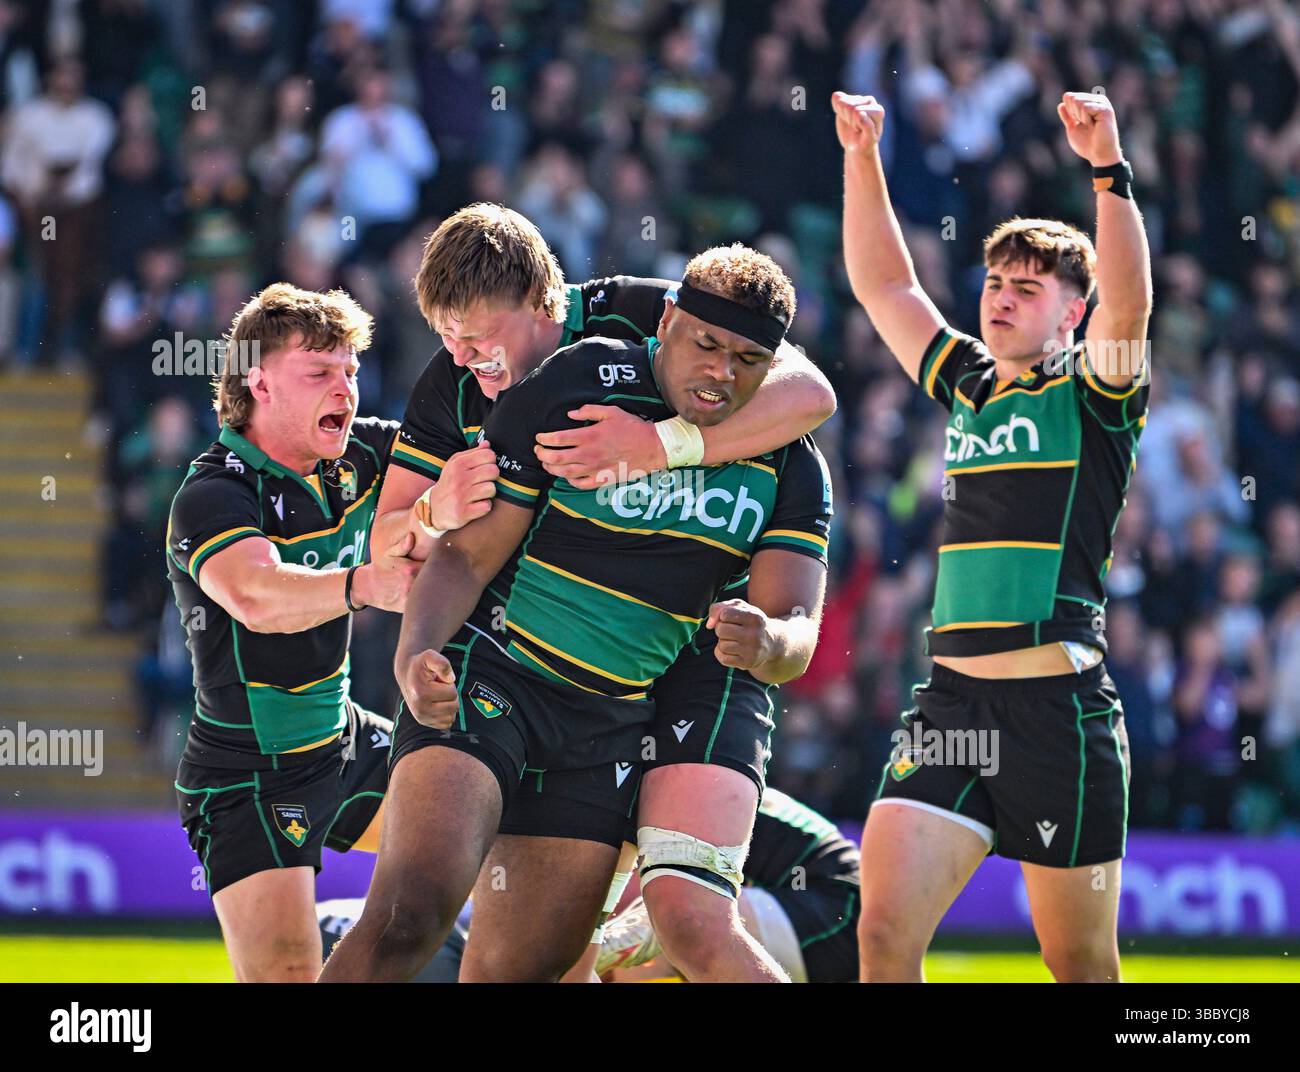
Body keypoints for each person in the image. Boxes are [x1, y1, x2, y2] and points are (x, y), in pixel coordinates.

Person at [320, 244, 832, 983]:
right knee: (409, 913)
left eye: (749, 360)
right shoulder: (579, 379)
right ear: (667, 322)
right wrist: (413, 653)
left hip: (609, 725)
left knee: (517, 971)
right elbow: (462, 556)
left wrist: (768, 640)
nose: (722, 372)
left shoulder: (792, 462)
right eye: (707, 345)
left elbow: (797, 634)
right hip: (495, 676)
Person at [832, 88, 1152, 982]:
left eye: (1028, 289)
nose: (1002, 299)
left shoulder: (1095, 396)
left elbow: (1130, 307)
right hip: (952, 711)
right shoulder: (966, 381)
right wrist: (862, 158)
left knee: (1081, 967)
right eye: (995, 284)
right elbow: (886, 286)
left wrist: (1107, 168)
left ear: (1070, 315)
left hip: (1058, 717)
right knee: (884, 936)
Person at [166, 283, 427, 981]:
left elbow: (464, 457)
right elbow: (255, 596)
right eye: (319, 372)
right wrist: (365, 584)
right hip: (244, 776)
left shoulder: (362, 457)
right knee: (285, 974)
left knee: (503, 835)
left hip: (342, 742)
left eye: (350, 371)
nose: (345, 388)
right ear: (258, 383)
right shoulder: (211, 493)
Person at [314, 786, 860, 984]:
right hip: (827, 912)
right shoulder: (687, 772)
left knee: (641, 930)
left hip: (830, 904)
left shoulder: (658, 781)